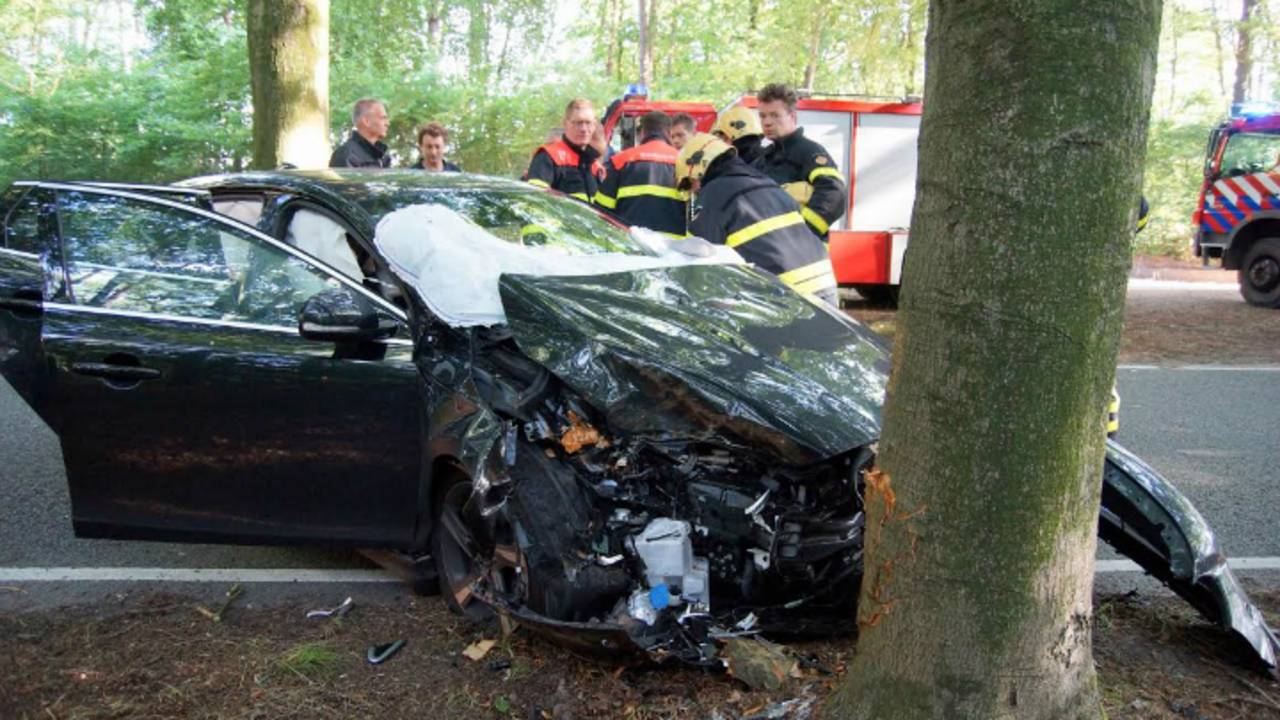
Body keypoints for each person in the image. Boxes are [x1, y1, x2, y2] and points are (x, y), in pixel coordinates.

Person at [679, 133, 837, 306]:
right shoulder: (764, 181)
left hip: (788, 295)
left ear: (698, 167)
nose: (692, 191)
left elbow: (700, 257)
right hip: (826, 286)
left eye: (689, 183)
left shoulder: (713, 193)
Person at [754, 83, 846, 241]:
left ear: (792, 117)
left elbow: (834, 195)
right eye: (763, 116)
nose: (767, 122)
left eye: (775, 115)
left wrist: (801, 233)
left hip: (804, 255)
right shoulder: (763, 158)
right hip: (771, 250)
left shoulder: (809, 152)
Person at [593, 111, 685, 237]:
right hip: (673, 248)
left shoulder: (621, 160)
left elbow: (602, 210)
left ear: (642, 133)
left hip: (632, 245)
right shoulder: (683, 162)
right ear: (669, 133)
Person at [525, 98, 605, 203]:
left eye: (588, 123)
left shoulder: (595, 166)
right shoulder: (548, 156)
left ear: (594, 125)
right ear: (565, 123)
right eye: (578, 123)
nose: (584, 129)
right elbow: (536, 202)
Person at [330, 98, 392, 168]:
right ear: (366, 121)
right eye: (383, 118)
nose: (387, 123)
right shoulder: (347, 155)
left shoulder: (382, 156)